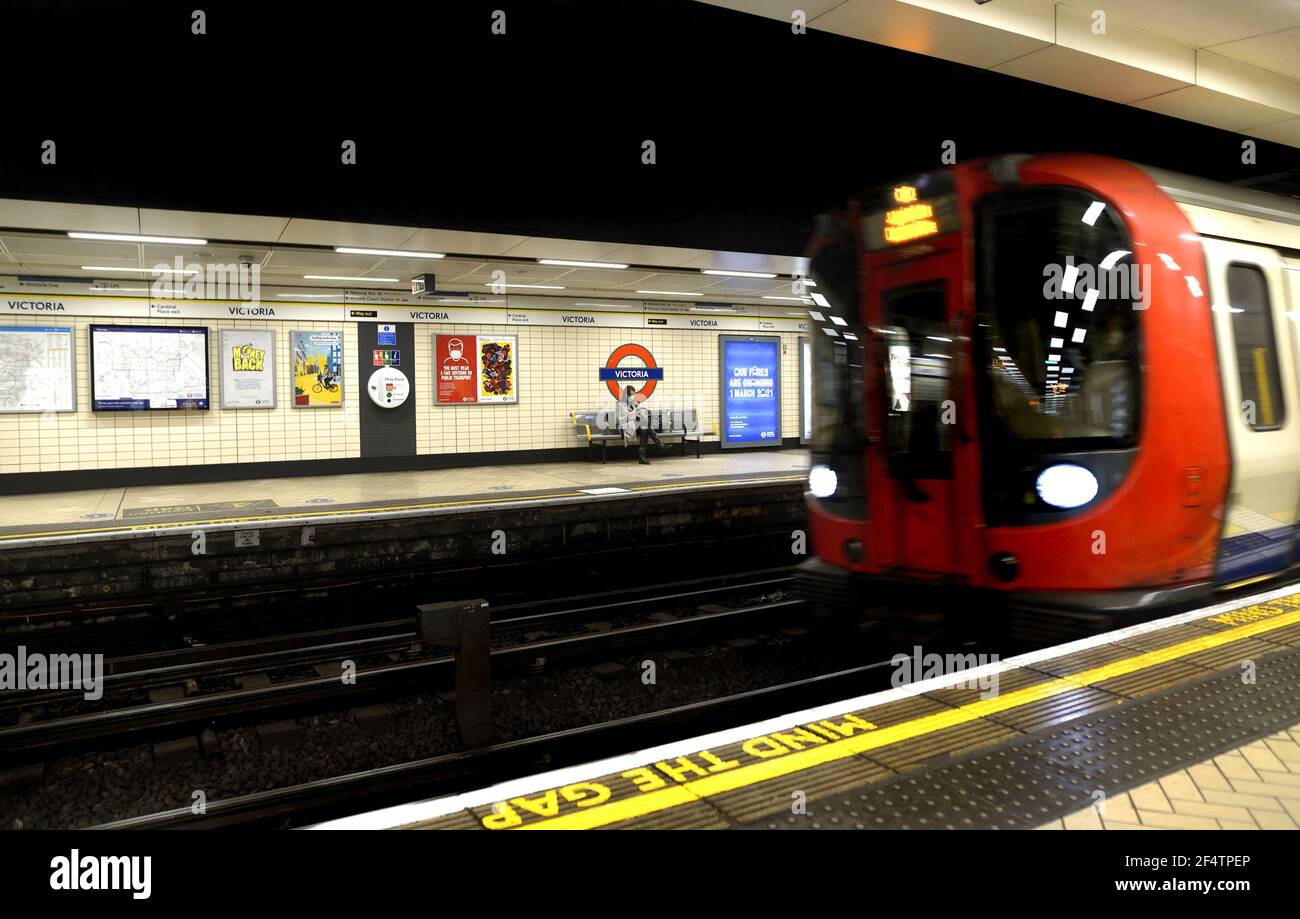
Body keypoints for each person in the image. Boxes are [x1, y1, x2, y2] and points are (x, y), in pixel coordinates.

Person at [620, 384, 664, 464]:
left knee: (644, 429)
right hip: (626, 427)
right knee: (644, 424)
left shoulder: (634, 404)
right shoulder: (620, 405)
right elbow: (621, 418)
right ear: (627, 395)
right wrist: (635, 414)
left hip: (636, 425)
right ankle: (659, 444)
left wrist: (637, 411)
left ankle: (642, 458)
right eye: (631, 395)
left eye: (634, 395)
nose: (633, 397)